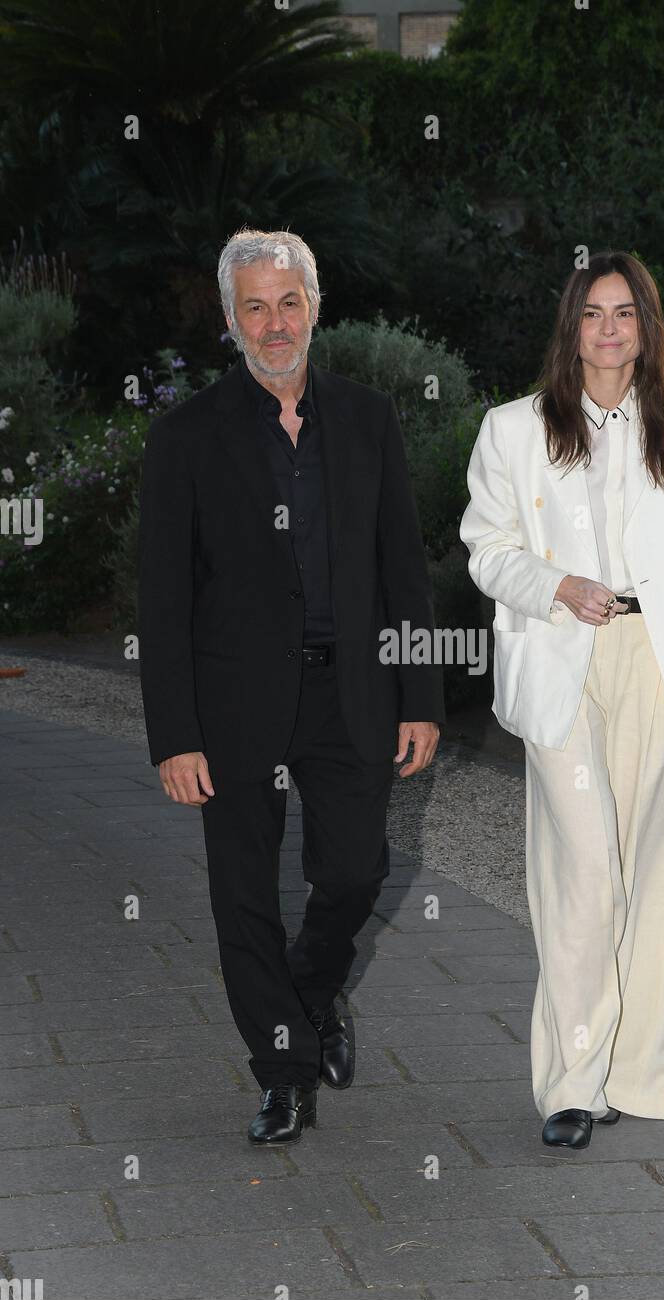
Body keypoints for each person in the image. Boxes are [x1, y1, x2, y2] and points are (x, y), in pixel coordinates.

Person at [138, 228, 443, 1145]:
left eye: (289, 302)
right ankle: (283, 1070)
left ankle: (308, 996)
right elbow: (163, 600)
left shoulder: (368, 418)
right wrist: (174, 734)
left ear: (316, 307)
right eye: (255, 307)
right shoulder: (185, 436)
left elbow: (403, 568)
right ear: (232, 321)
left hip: (350, 692)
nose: (275, 324)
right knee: (243, 896)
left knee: (358, 871)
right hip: (232, 706)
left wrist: (421, 696)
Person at [460, 250, 664, 1151]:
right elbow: (486, 550)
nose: (610, 330)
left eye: (625, 314)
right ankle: (571, 1083)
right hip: (565, 656)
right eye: (592, 314)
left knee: (658, 875)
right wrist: (556, 586)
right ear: (569, 327)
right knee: (582, 871)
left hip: (660, 659)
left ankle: (633, 1075)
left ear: (646, 328)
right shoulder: (513, 429)